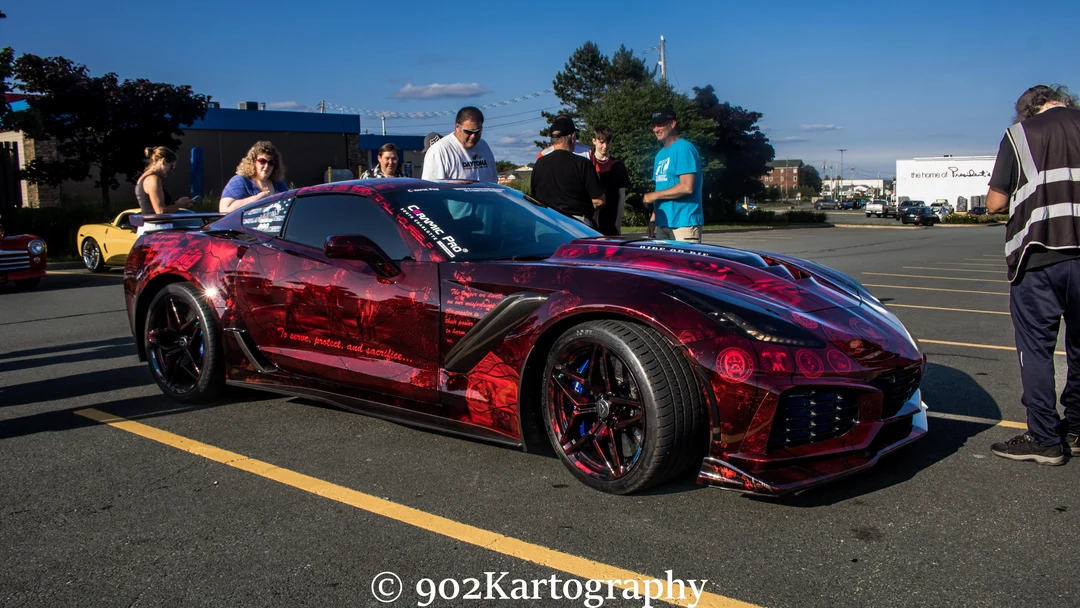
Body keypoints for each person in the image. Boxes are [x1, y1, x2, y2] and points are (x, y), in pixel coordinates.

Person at [985, 84, 1080, 465]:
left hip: (1038, 256)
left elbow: (996, 202)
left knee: (1036, 349)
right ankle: (1076, 429)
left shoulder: (1020, 135)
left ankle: (1044, 437)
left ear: (1027, 111)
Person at [642, 108, 703, 243]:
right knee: (661, 264)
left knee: (682, 264)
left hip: (683, 224)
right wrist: (653, 220)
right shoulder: (659, 155)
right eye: (653, 126)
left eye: (660, 124)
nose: (655, 129)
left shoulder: (684, 148)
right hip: (662, 225)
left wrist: (653, 196)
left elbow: (687, 187)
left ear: (673, 123)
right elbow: (661, 189)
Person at [530, 116, 604, 226]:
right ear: (572, 137)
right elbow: (599, 200)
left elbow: (534, 199)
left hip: (546, 224)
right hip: (576, 226)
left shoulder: (539, 164)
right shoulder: (582, 164)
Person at [421, 107, 497, 182]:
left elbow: (494, 182)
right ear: (457, 127)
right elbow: (431, 188)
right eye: (469, 132)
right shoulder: (439, 150)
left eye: (478, 132)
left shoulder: (483, 146)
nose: (473, 136)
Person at [219, 141, 289, 213]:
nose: (267, 166)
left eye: (271, 162)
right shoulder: (241, 181)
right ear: (253, 162)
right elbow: (225, 209)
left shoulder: (279, 184)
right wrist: (258, 198)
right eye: (262, 161)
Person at [591, 125, 631, 235]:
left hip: (611, 222)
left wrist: (618, 223)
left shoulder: (618, 165)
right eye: (601, 142)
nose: (605, 146)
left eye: (608, 142)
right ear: (594, 141)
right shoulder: (588, 164)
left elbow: (621, 197)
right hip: (591, 223)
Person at [135, 146, 193, 214]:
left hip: (150, 223)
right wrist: (180, 204)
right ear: (163, 161)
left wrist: (175, 203)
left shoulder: (143, 178)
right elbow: (161, 211)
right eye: (171, 167)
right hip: (157, 224)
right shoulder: (153, 179)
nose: (171, 171)